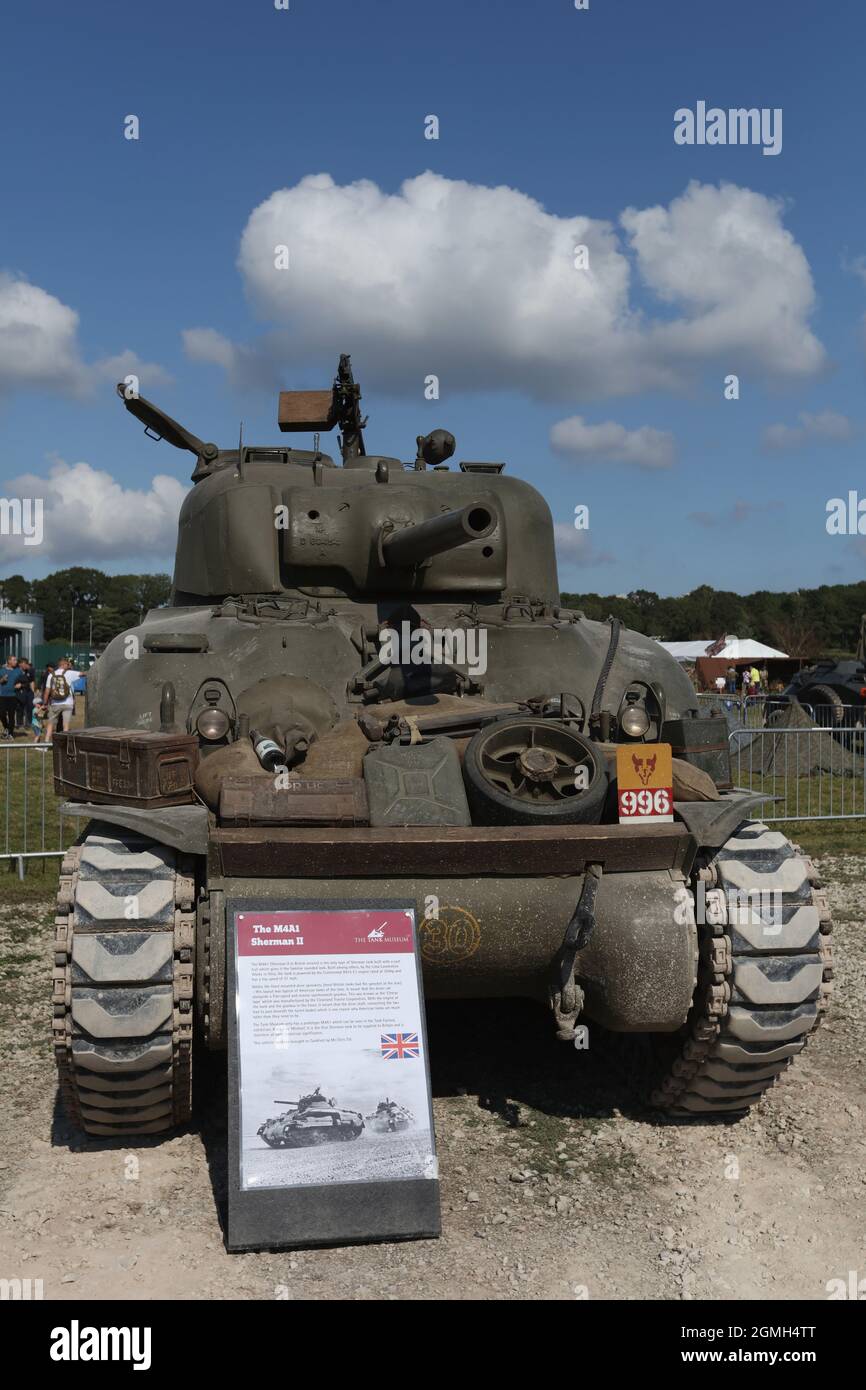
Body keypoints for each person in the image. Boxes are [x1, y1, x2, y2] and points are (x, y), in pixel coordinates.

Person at [43, 657, 81, 744]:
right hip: (68, 703)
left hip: (55, 703)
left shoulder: (51, 675)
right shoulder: (70, 673)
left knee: (51, 723)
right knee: (66, 725)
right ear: (63, 664)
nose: (69, 665)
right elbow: (83, 674)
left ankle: (46, 743)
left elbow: (47, 691)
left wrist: (45, 703)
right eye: (67, 664)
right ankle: (64, 744)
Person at [0, 655, 28, 739]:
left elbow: (26, 682)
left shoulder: (18, 671)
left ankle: (11, 734)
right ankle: (6, 728)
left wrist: (21, 684)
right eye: (14, 660)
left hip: (13, 696)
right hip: (2, 695)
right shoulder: (2, 670)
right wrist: (2, 680)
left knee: (12, 715)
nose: (16, 662)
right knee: (1, 714)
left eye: (16, 660)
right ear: (9, 661)